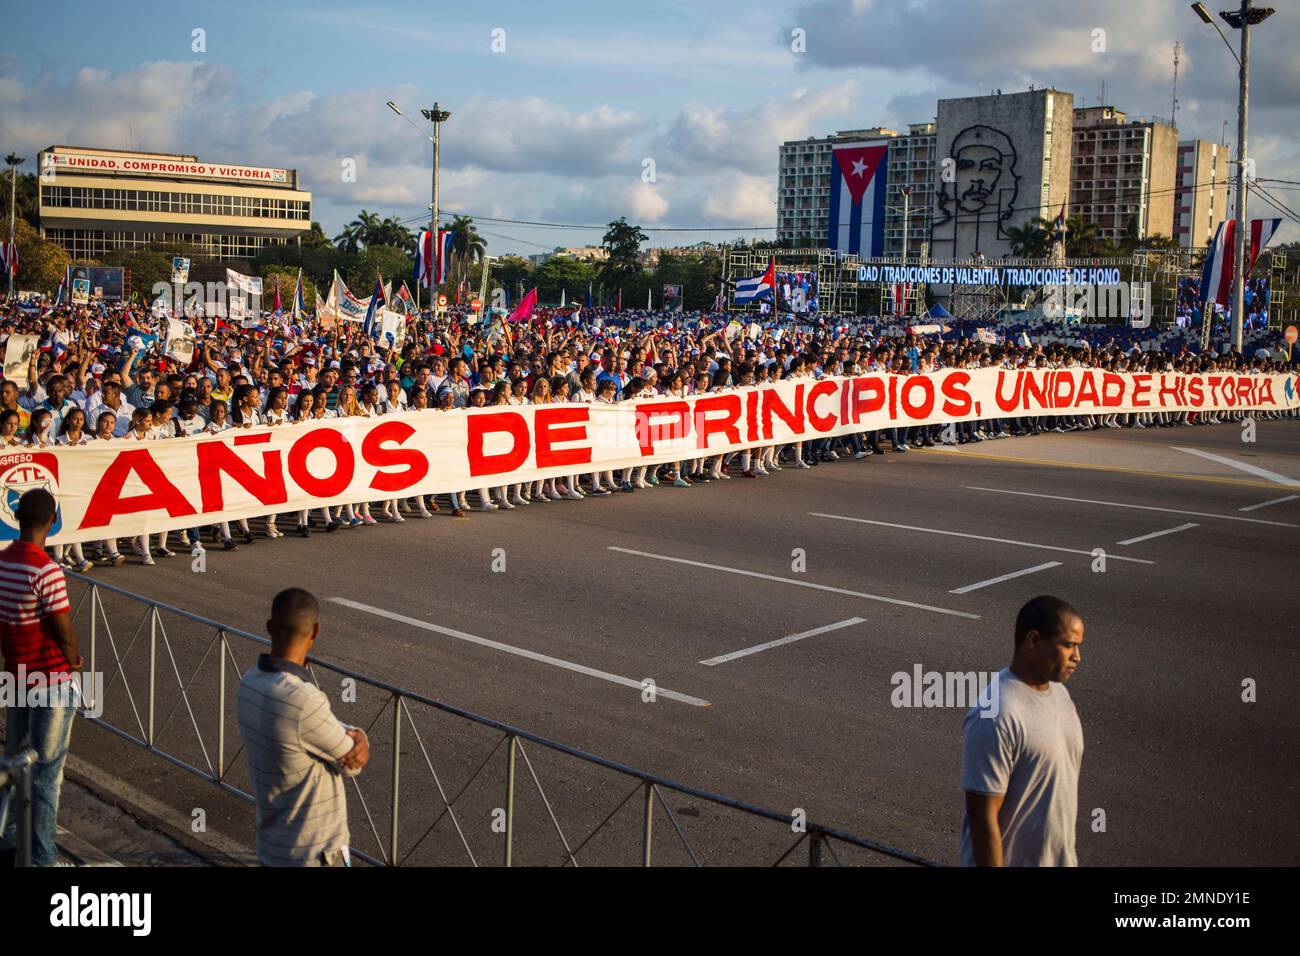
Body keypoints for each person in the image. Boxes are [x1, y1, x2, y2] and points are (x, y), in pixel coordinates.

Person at [235, 588, 369, 866]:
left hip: (273, 846)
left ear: (270, 628)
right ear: (315, 631)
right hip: (314, 852)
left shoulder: (249, 682)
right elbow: (352, 764)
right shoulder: (303, 700)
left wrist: (341, 730)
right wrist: (360, 736)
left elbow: (312, 728)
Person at [960, 595, 1085, 867]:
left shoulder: (1061, 696)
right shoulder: (996, 713)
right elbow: (982, 816)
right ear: (1033, 641)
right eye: (1068, 645)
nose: (1077, 656)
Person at [0, 489, 80, 867]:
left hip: (15, 674)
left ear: (17, 519)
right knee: (48, 772)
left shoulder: (3, 563)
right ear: (52, 521)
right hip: (49, 679)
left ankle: (10, 835)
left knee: (15, 759)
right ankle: (43, 857)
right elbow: (62, 627)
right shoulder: (46, 570)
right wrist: (74, 658)